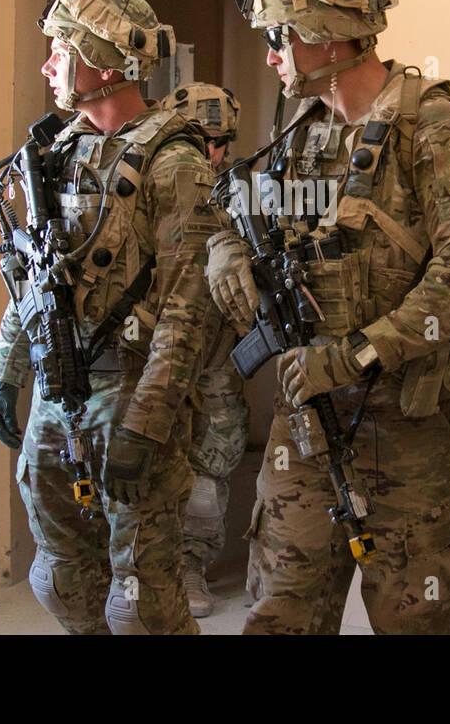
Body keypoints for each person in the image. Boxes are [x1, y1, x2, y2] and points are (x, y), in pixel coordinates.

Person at [207, 0, 450, 634]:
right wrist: (225, 253)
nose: (273, 54)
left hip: (404, 434)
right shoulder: (301, 136)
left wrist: (356, 356)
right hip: (303, 424)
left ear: (327, 37)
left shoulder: (438, 131)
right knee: (277, 615)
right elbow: (227, 214)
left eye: (282, 36)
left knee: (413, 621)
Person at [0, 0, 223, 634]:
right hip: (59, 400)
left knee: (142, 602)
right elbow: (33, 278)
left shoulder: (175, 163)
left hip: (134, 401)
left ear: (106, 63)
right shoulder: (56, 154)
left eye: (60, 50)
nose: (47, 64)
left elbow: (189, 310)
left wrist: (146, 424)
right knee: (61, 579)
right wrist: (7, 375)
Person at [155, 82, 249, 618]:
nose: (211, 153)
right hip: (156, 356)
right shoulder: (147, 185)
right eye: (199, 140)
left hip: (216, 361)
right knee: (144, 460)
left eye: (221, 141)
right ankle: (145, 569)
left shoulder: (242, 195)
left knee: (210, 469)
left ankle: (191, 566)